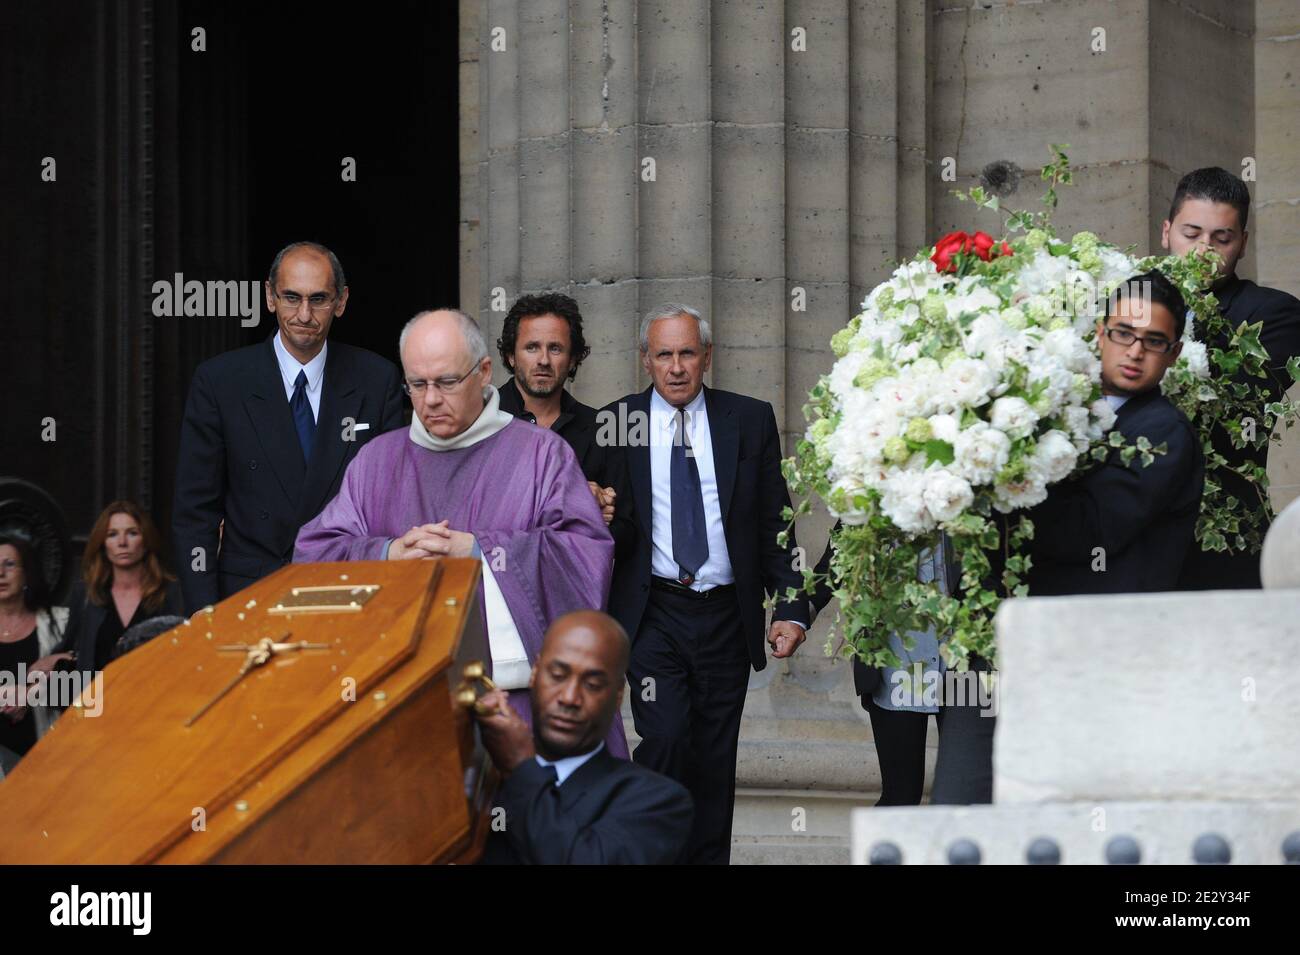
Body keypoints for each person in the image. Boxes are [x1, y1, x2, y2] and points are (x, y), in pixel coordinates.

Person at [293, 309, 627, 757]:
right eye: (417, 384)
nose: (430, 399)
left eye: (446, 382)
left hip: (524, 712)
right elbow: (312, 560)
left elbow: (584, 558)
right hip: (406, 716)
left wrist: (479, 552)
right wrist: (388, 555)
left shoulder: (542, 455)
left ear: (484, 372)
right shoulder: (376, 462)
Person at [930, 270, 1204, 804]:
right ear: (1099, 332)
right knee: (962, 813)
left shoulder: (1163, 432)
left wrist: (1000, 476)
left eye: (1153, 342)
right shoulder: (1054, 403)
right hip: (1000, 642)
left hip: (1086, 661)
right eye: (1124, 333)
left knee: (1049, 825)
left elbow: (1086, 533)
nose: (1135, 351)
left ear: (1172, 354)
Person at [603, 303, 810, 863]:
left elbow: (776, 521)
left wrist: (792, 608)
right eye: (663, 354)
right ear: (645, 360)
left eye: (687, 353)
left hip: (725, 616)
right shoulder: (615, 424)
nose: (676, 367)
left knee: (716, 761)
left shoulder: (748, 419)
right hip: (654, 614)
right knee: (667, 737)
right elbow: (603, 530)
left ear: (708, 357)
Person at [172, 241, 405, 615]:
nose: (304, 314)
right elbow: (195, 510)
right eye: (291, 297)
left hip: (347, 592)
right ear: (269, 296)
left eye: (319, 299)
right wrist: (203, 609)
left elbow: (390, 503)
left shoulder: (376, 381)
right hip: (250, 597)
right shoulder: (221, 382)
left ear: (341, 301)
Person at [1160, 168, 1300, 589]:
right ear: (1166, 232)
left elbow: (1225, 407)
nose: (1205, 249)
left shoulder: (1274, 314)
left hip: (1223, 546)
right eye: (1191, 233)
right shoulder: (1123, 301)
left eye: (1221, 239)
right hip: (1125, 544)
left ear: (1242, 245)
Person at [475, 610, 693, 864]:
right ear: (534, 674)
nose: (569, 697)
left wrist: (523, 766)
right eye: (557, 676)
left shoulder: (658, 802)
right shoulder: (484, 780)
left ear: (618, 695)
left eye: (592, 685)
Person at [495, 293, 634, 556]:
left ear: (572, 359)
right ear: (511, 356)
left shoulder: (601, 428)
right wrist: (577, 501)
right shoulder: (481, 420)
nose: (544, 360)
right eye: (532, 347)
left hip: (571, 590)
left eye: (555, 348)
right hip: (496, 587)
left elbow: (625, 532)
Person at [60, 501, 182, 674]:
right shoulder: (86, 593)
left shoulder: (170, 592)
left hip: (155, 696)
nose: (122, 542)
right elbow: (69, 646)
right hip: (99, 697)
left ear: (146, 540)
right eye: (112, 534)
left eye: (132, 533)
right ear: (103, 543)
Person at [0, 533, 71, 764]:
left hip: (45, 759)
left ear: (26, 573)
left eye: (9, 564)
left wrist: (33, 688)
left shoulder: (60, 622)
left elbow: (88, 676)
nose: (0, 573)